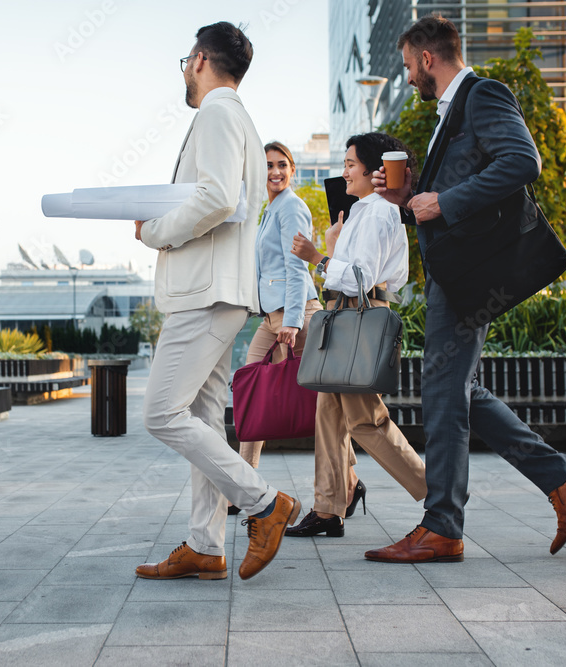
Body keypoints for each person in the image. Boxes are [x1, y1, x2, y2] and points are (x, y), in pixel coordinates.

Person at [366, 13, 566, 563]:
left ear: (428, 58)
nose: (407, 79)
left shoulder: (483, 94)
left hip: (473, 272)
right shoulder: (452, 111)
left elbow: (522, 161)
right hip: (458, 270)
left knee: (446, 389)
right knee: (456, 388)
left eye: (406, 67)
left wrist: (443, 201)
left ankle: (443, 526)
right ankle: (563, 478)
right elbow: (457, 187)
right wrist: (413, 199)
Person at [132, 22, 300, 582]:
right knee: (203, 417)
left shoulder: (219, 113)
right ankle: (205, 544)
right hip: (218, 291)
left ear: (200, 59)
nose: (184, 70)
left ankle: (264, 503)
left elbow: (216, 197)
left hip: (206, 294)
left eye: (186, 60)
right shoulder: (237, 118)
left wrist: (156, 230)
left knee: (161, 413)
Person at [287, 132, 427, 538]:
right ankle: (328, 509)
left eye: (350, 164)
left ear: (374, 170)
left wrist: (318, 256)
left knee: (366, 419)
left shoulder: (379, 211)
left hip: (358, 316)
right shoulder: (365, 210)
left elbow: (361, 280)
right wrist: (332, 247)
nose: (345, 171)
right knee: (328, 417)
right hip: (347, 316)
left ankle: (437, 493)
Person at [231, 142, 366, 515]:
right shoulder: (268, 210)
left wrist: (291, 322)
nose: (275, 172)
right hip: (273, 316)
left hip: (298, 315)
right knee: (251, 390)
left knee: (325, 403)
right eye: (268, 166)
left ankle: (348, 481)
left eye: (281, 165)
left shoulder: (291, 207)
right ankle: (245, 486)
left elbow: (296, 267)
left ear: (292, 170)